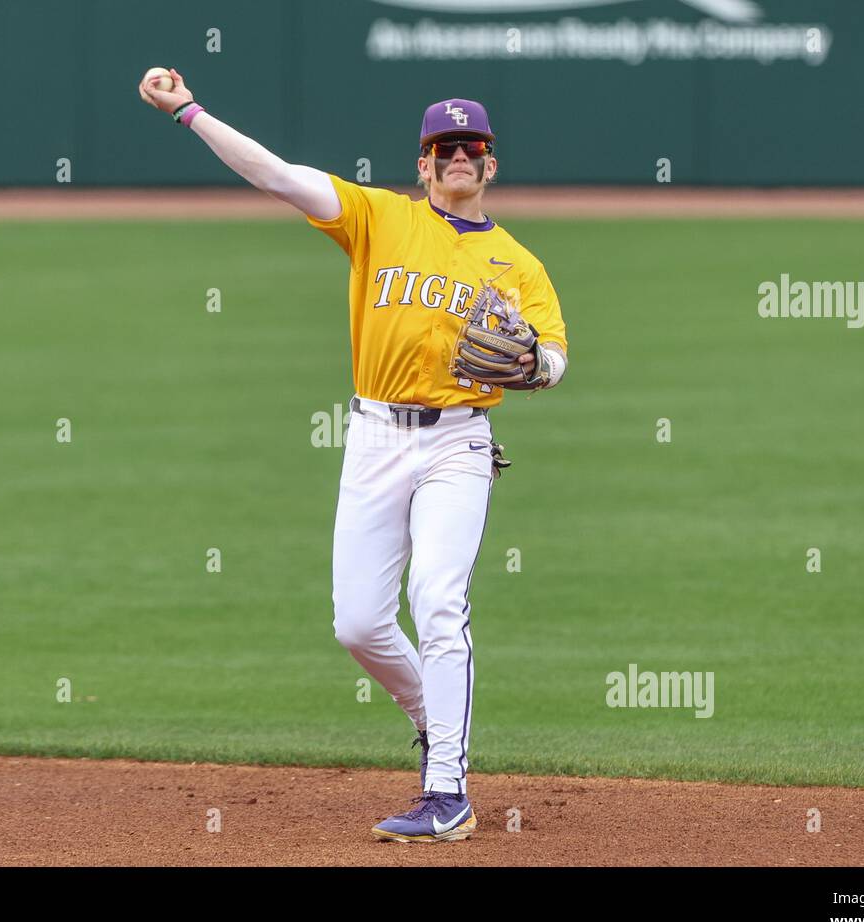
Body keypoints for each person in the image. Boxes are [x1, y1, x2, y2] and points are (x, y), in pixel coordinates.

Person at [140, 69, 569, 842]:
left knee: (438, 600)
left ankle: (449, 791)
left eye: (471, 146)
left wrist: (536, 366)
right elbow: (274, 174)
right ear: (423, 164)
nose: (458, 156)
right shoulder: (377, 218)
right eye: (444, 147)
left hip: (459, 441)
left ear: (491, 164)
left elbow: (554, 358)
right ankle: (432, 721)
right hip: (372, 437)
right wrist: (189, 111)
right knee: (360, 625)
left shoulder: (520, 265)